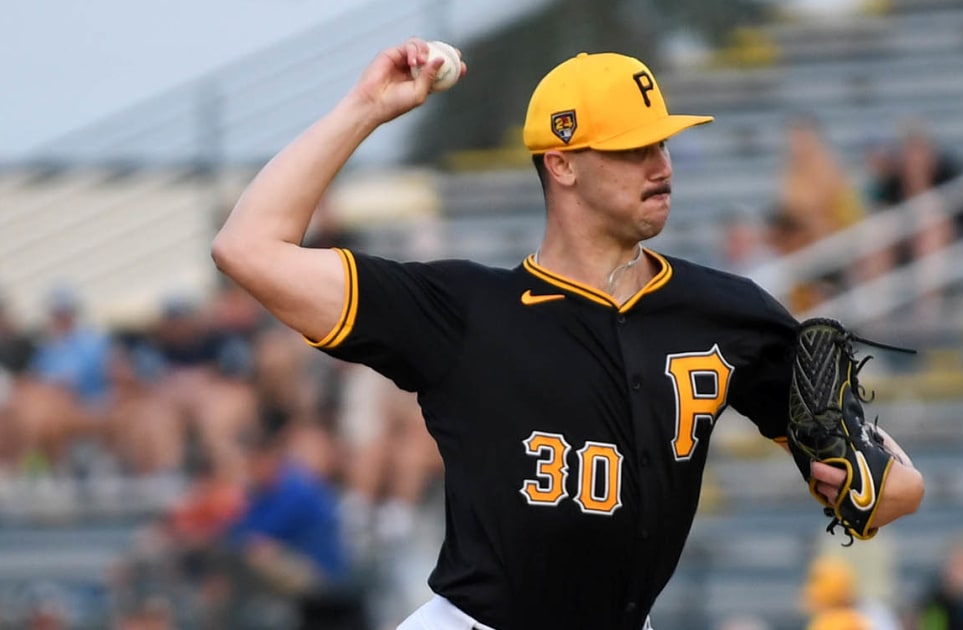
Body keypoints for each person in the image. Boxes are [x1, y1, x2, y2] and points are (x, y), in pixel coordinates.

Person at [211, 39, 925, 630]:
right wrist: (365, 108)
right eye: (632, 148)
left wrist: (870, 480)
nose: (661, 165)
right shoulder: (463, 311)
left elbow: (894, 490)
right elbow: (247, 248)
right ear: (562, 164)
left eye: (662, 142)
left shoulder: (726, 312)